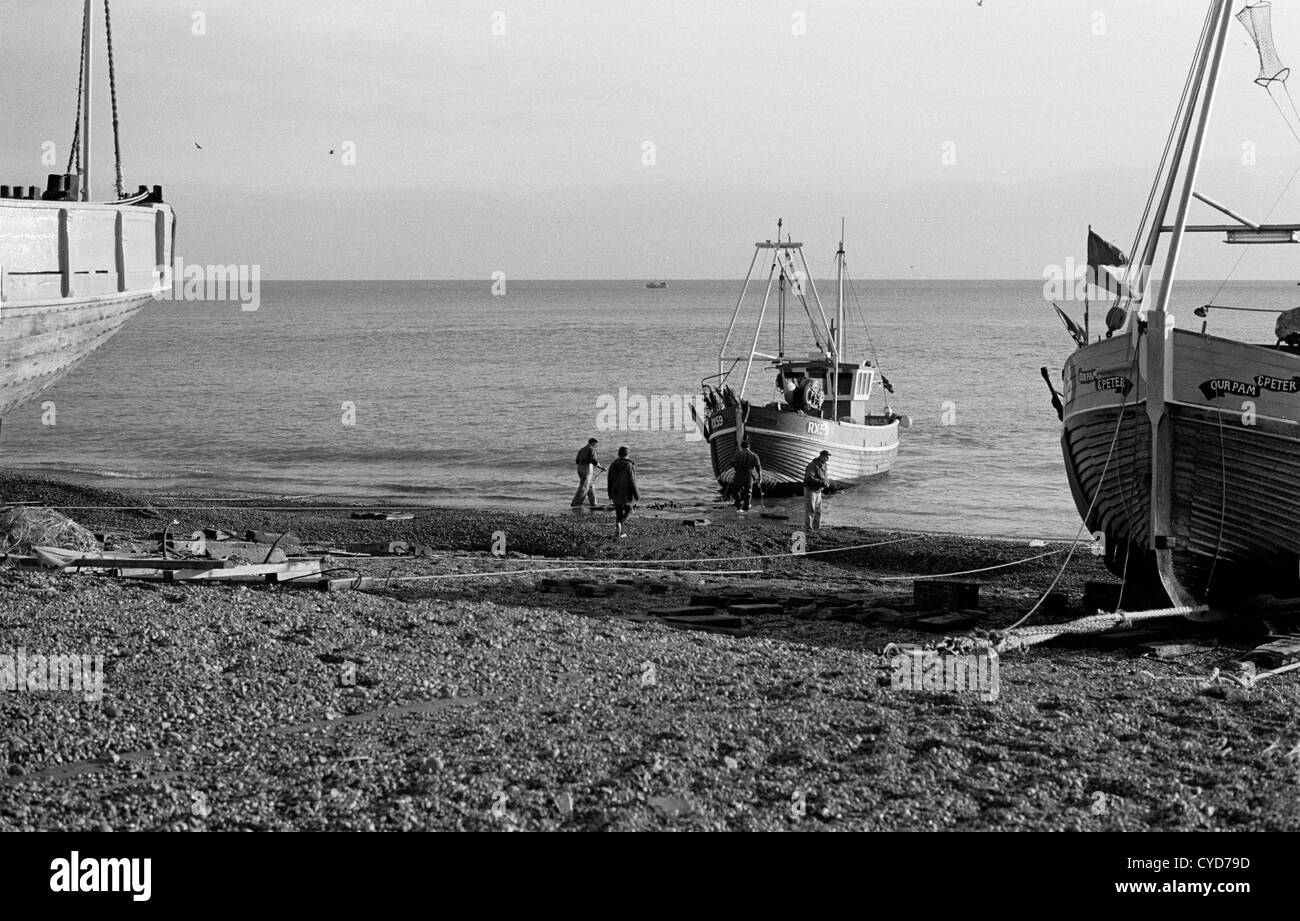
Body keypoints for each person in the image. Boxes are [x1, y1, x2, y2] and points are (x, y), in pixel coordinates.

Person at [606, 446, 639, 538]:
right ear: (628, 454)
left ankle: (619, 532)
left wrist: (609, 494)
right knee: (629, 509)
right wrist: (636, 495)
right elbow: (632, 481)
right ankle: (620, 524)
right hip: (626, 492)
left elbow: (609, 480)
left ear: (618, 454)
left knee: (619, 511)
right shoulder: (629, 465)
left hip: (614, 491)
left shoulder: (613, 465)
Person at [571, 438, 606, 508]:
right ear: (593, 443)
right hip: (587, 469)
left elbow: (577, 461)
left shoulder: (581, 449)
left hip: (580, 468)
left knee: (589, 485)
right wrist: (602, 468)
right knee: (584, 487)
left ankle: (593, 503)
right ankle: (575, 504)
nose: (596, 446)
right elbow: (594, 461)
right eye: (596, 444)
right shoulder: (591, 449)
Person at [803, 450, 831, 531]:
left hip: (818, 490)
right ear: (821, 456)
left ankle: (817, 527)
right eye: (826, 456)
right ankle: (808, 528)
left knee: (818, 510)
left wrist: (826, 483)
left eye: (828, 457)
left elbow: (825, 477)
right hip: (810, 490)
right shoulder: (813, 465)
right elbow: (809, 478)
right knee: (810, 510)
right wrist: (822, 482)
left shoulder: (824, 466)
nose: (827, 458)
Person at [733, 438, 762, 512]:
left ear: (742, 447)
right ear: (749, 447)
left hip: (739, 474)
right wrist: (760, 478)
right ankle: (746, 508)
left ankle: (738, 507)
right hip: (749, 475)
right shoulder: (754, 455)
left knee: (736, 491)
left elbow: (733, 464)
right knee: (748, 492)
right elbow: (758, 468)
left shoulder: (738, 454)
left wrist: (736, 468)